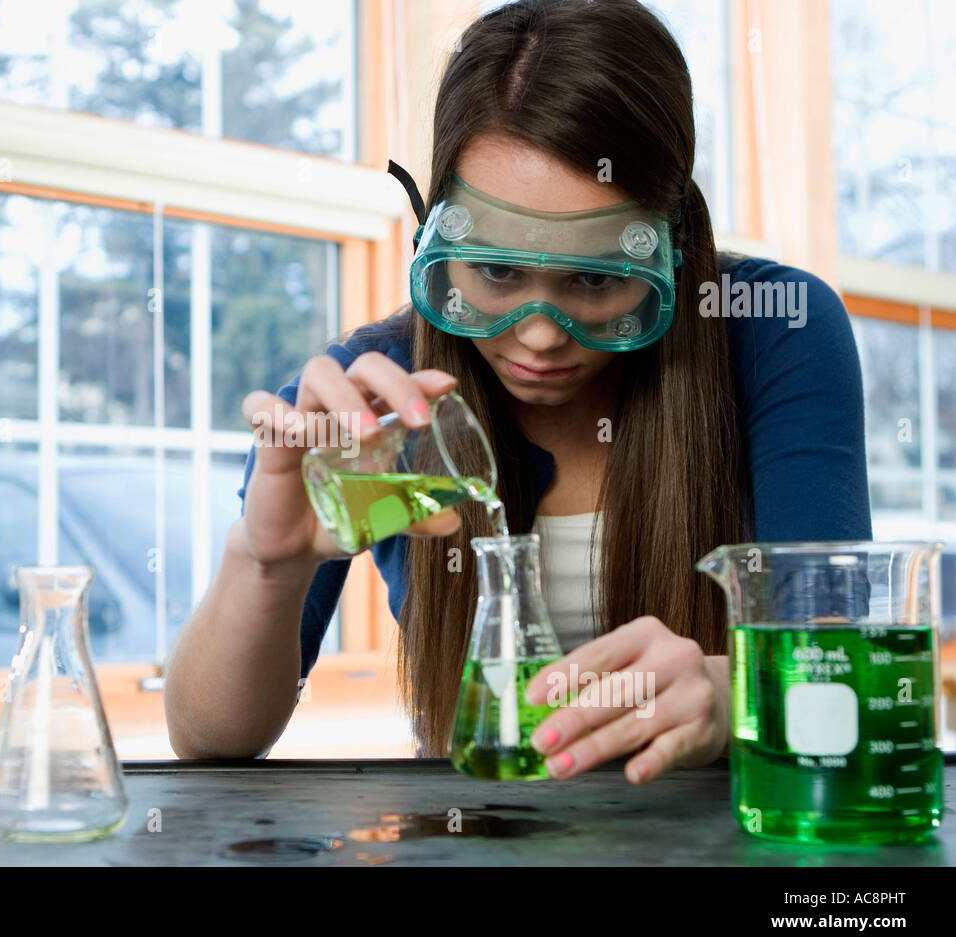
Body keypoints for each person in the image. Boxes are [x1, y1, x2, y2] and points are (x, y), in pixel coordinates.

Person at [163, 0, 870, 780]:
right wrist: (267, 563)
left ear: (671, 250)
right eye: (497, 271)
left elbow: (836, 673)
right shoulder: (374, 402)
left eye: (596, 278)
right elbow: (210, 743)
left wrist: (724, 686)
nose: (539, 334)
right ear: (437, 235)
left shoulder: (771, 329)